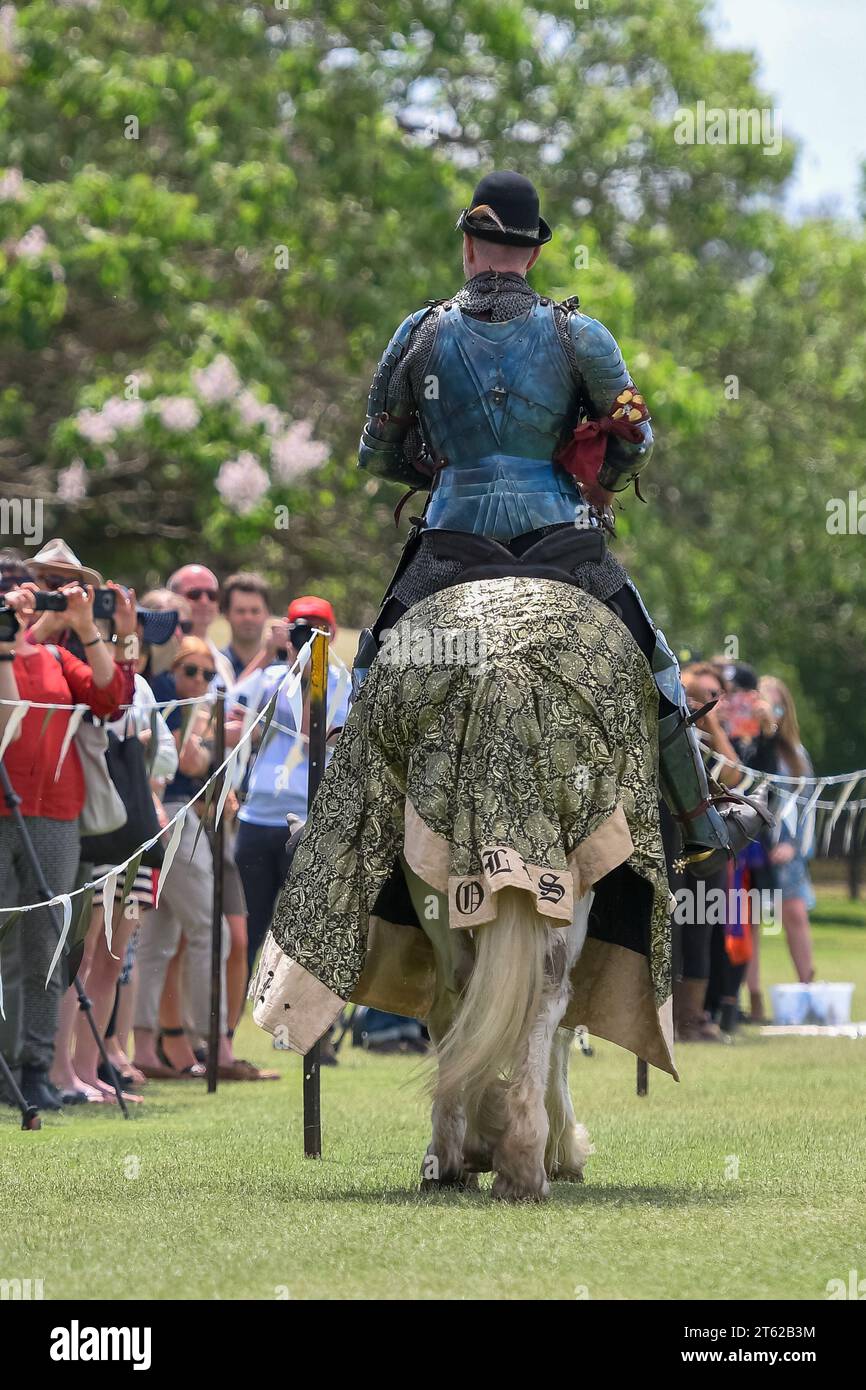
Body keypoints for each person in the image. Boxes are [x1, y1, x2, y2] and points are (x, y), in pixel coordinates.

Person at [353, 169, 769, 877]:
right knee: (656, 665)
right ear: (535, 254)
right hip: (561, 541)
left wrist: (444, 474)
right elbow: (636, 438)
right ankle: (700, 820)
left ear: (468, 246)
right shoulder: (582, 334)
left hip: (451, 543)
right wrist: (596, 485)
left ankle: (354, 825)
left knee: (373, 672)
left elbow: (376, 452)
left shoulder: (418, 333)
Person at [0, 581, 129, 1112]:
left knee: (46, 946)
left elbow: (112, 696)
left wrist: (84, 626)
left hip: (55, 814)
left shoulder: (55, 656)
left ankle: (33, 1069)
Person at [132, 638, 271, 1080]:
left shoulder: (185, 702)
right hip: (174, 817)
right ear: (174, 669)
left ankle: (146, 1050)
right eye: (191, 671)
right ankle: (211, 1044)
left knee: (160, 936)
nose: (201, 681)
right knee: (211, 934)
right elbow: (187, 763)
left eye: (209, 675)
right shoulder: (172, 700)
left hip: (180, 817)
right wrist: (214, 736)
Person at [233, 597, 349, 977]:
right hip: (256, 818)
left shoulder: (340, 682)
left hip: (308, 817)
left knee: (306, 925)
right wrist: (268, 654)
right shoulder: (269, 678)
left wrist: (306, 670)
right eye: (301, 627)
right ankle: (231, 1022)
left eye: (318, 628)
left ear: (331, 634)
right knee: (247, 926)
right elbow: (225, 705)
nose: (309, 636)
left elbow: (314, 733)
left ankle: (302, 1027)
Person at [746, 675, 816, 1019]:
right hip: (758, 844)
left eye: (774, 704)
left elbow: (807, 808)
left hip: (788, 851)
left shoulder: (797, 756)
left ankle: (808, 988)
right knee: (751, 919)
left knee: (795, 915)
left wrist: (794, 846)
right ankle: (754, 996)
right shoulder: (752, 748)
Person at [166, 563, 235, 690]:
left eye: (212, 595)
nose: (204, 601)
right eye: (194, 594)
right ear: (173, 598)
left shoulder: (223, 663)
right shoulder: (164, 659)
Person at [219, 573, 272, 681]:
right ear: (226, 614)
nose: (248, 617)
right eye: (240, 611)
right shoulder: (213, 666)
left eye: (255, 611)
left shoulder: (282, 669)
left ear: (267, 613)